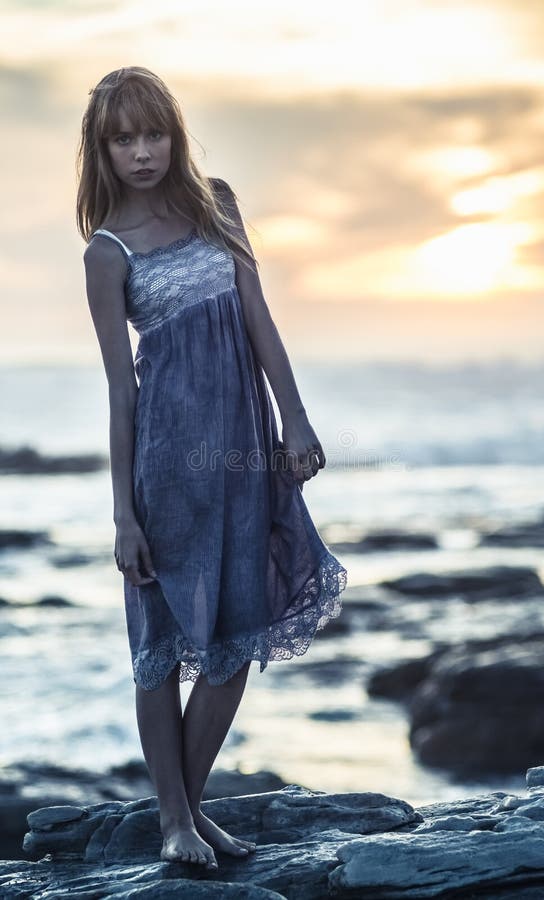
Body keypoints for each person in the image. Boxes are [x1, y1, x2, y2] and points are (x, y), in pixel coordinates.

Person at [76, 66, 348, 869]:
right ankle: (175, 821)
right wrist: (123, 515)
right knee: (161, 644)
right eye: (123, 138)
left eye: (153, 133)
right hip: (166, 466)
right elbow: (121, 391)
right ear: (101, 149)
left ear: (175, 133)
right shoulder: (107, 251)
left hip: (240, 453)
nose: (142, 151)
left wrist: (294, 418)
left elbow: (258, 317)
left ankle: (188, 813)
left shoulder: (216, 203)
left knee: (238, 635)